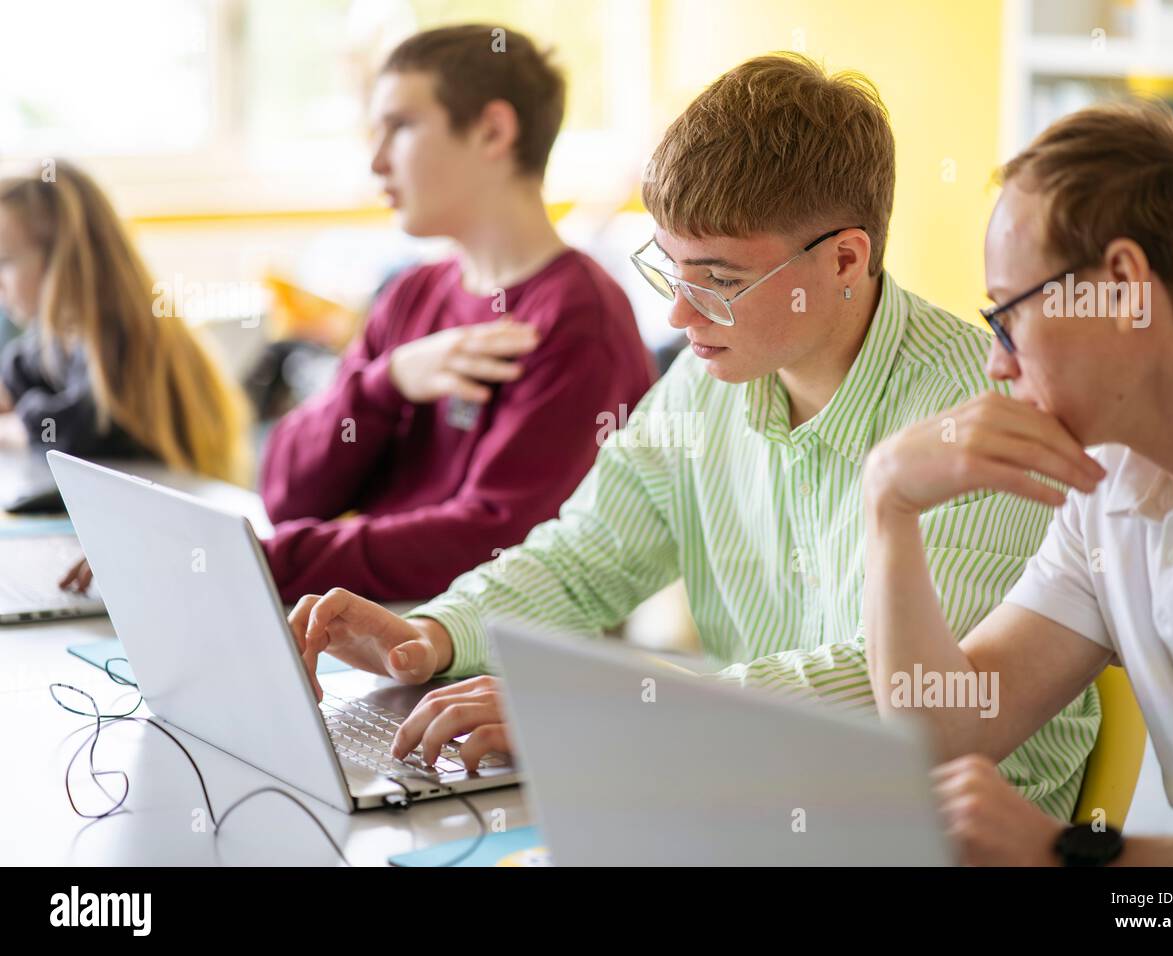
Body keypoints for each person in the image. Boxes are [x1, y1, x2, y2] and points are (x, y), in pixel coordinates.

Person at [286, 53, 1100, 821]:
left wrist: (611, 714)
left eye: (718, 281)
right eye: (669, 268)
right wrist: (435, 633)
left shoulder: (981, 404)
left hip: (943, 822)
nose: (677, 316)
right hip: (756, 789)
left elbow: (898, 695)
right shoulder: (710, 379)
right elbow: (585, 558)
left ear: (847, 260)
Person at [860, 100, 1173, 865]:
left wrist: (1077, 857)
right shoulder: (1109, 483)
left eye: (1009, 317)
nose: (996, 363)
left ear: (1125, 286)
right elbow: (943, 730)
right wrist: (887, 499)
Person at [257, 24, 653, 603]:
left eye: (400, 127)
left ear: (493, 131)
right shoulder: (411, 293)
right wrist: (383, 384)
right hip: (375, 629)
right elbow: (286, 495)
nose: (375, 162)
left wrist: (267, 562)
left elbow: (495, 545)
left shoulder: (579, 319)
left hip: (478, 664)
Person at [0, 160, 248, 479]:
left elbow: (75, 433)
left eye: (5, 261)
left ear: (61, 262)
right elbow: (18, 376)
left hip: (169, 510)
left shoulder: (122, 334)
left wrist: (13, 428)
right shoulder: (63, 334)